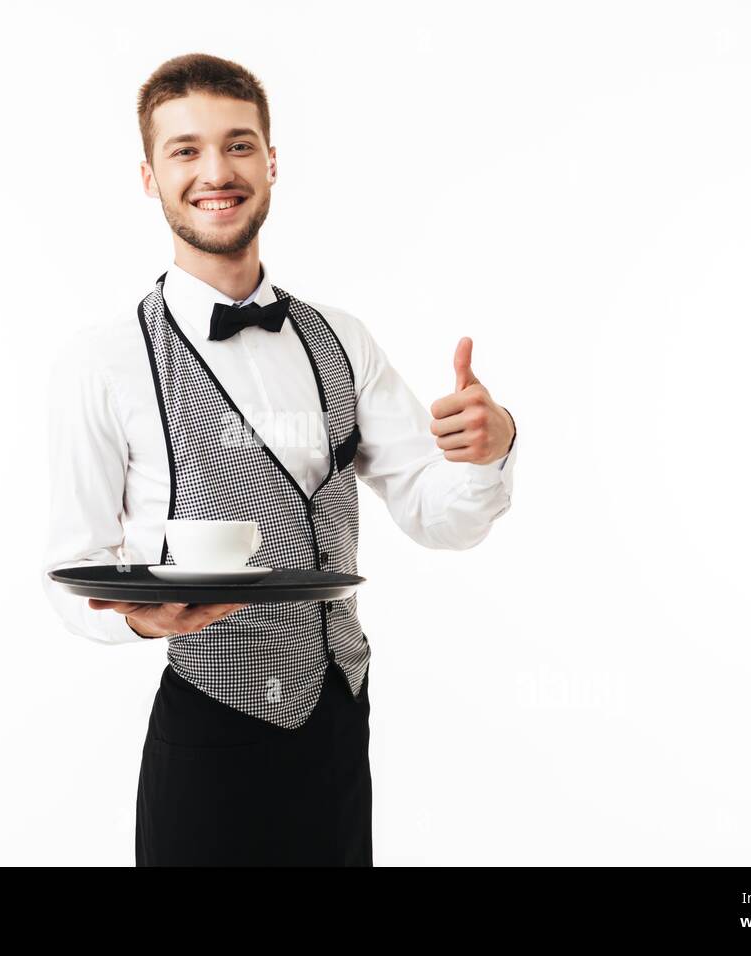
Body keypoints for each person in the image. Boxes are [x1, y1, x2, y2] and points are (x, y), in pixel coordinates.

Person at [42, 53, 517, 866]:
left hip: (339, 727)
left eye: (237, 144)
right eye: (185, 150)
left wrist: (489, 448)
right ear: (150, 176)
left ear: (270, 163)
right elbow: (74, 568)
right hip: (209, 733)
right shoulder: (105, 361)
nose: (214, 171)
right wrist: (137, 617)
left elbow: (440, 520)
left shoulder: (343, 340)